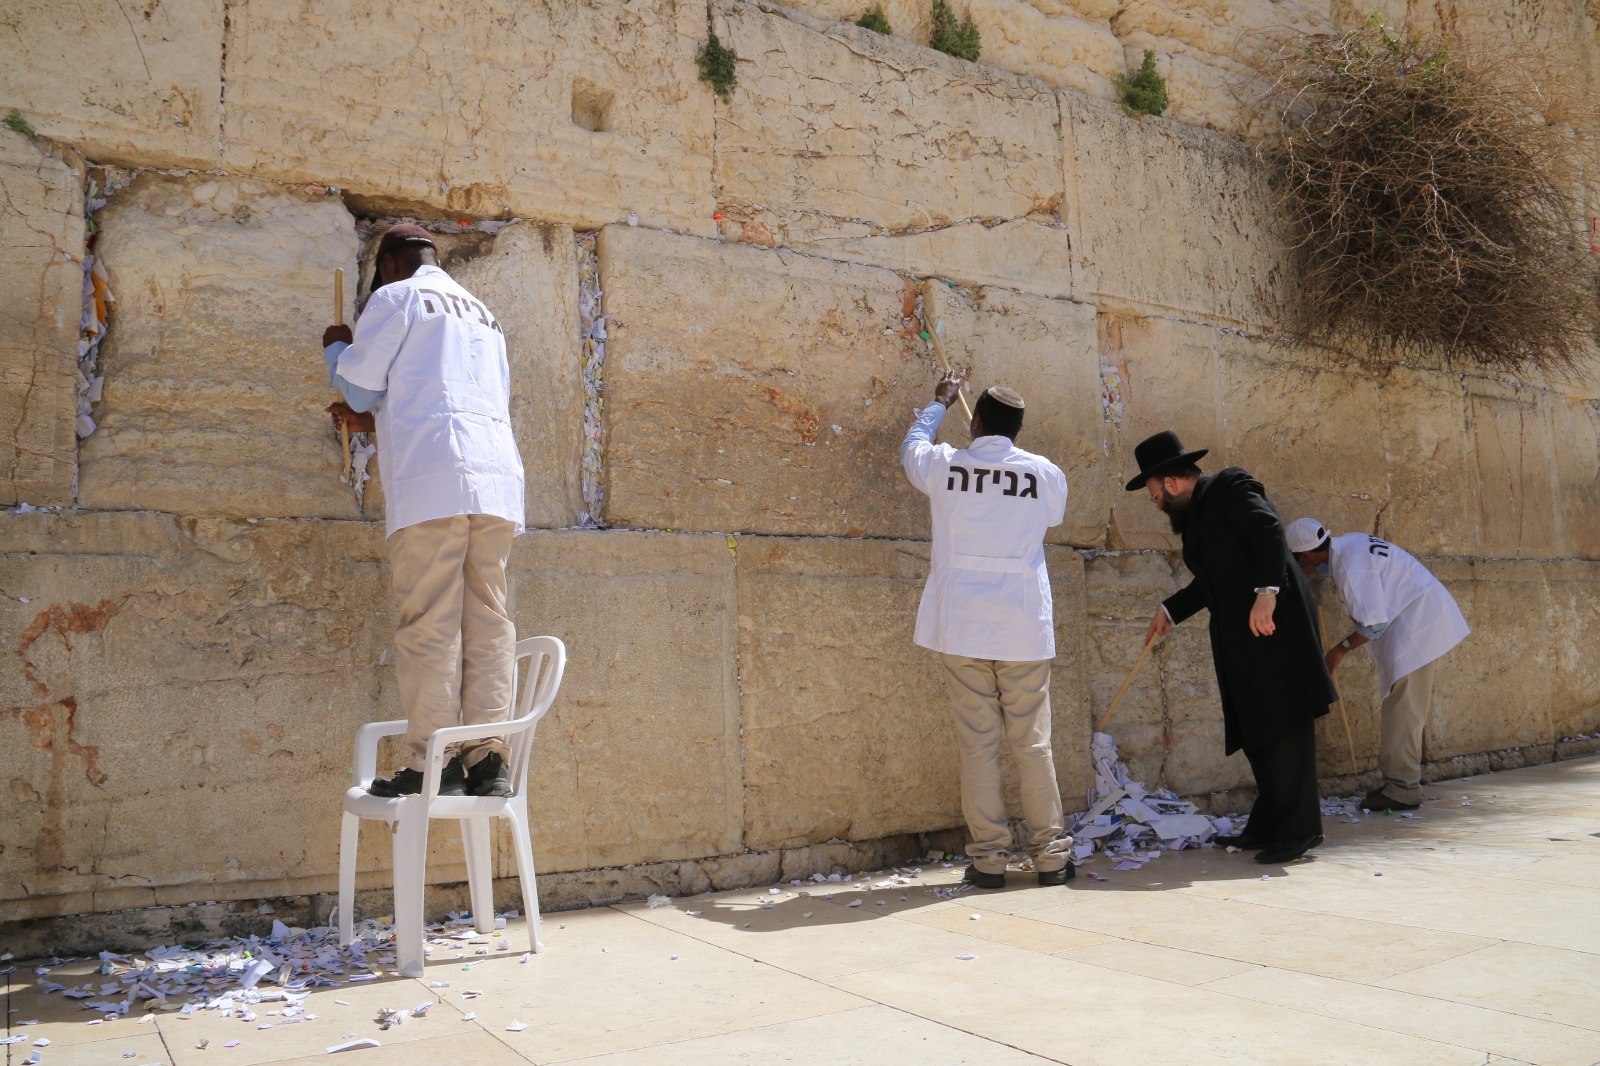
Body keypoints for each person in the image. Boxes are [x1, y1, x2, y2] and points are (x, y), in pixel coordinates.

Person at [320, 223, 525, 799]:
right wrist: (377, 418)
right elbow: (444, 389)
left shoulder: (396, 297)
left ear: (388, 264)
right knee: (489, 618)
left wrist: (337, 347)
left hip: (434, 476)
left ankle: (435, 764)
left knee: (431, 619)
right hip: (495, 482)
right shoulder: (484, 315)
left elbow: (359, 388)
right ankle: (489, 760)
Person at [1129, 431, 1337, 864]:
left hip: (1275, 628)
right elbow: (1214, 580)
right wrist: (1170, 610)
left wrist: (1267, 592)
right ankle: (1269, 823)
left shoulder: (1229, 486)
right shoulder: (1197, 519)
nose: (1158, 505)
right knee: (1257, 728)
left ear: (1170, 483)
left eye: (1155, 497)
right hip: (1243, 640)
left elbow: (1268, 531)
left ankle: (1300, 830)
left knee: (1284, 725)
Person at [901, 370, 1074, 889]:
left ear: (973, 420)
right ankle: (1052, 856)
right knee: (1033, 744)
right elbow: (1054, 516)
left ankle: (990, 859)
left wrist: (938, 403)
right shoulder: (1044, 473)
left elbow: (912, 448)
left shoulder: (945, 463)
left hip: (964, 626)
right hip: (1022, 627)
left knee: (978, 745)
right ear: (1017, 429)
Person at [1285, 519, 1470, 812]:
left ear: (1306, 556)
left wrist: (1339, 651)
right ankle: (1397, 782)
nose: (1303, 571)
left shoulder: (1351, 567)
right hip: (1423, 617)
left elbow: (1373, 625)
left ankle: (1403, 790)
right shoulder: (1351, 543)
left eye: (1298, 563)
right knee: (1402, 708)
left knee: (1404, 711)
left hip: (1419, 628)